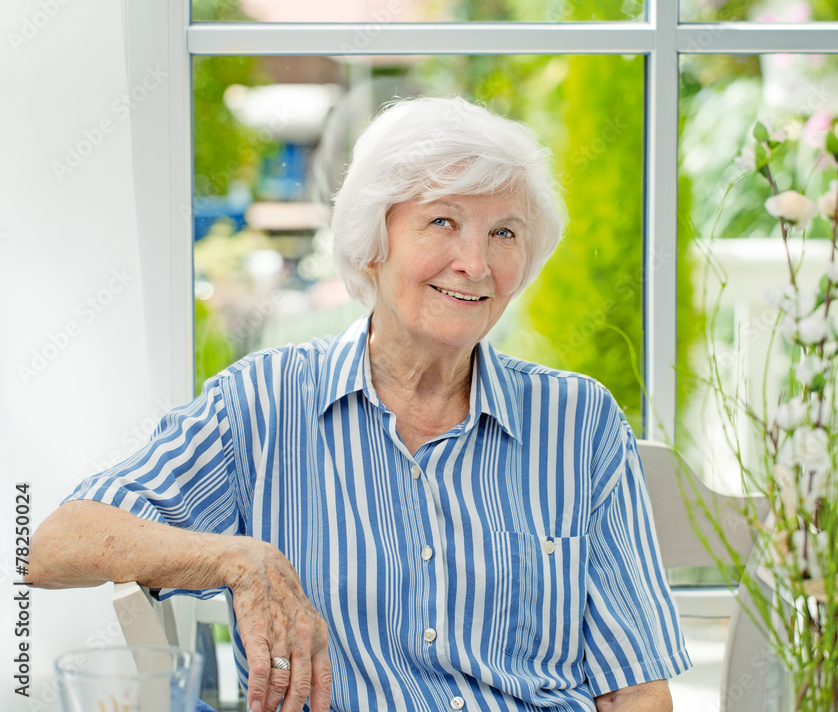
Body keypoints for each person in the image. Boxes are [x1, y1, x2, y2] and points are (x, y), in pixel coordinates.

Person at [32, 96, 691, 712]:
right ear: (373, 243)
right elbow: (52, 545)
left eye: (505, 233)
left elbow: (634, 692)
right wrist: (239, 561)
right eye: (443, 222)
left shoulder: (579, 422)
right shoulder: (264, 403)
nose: (476, 263)